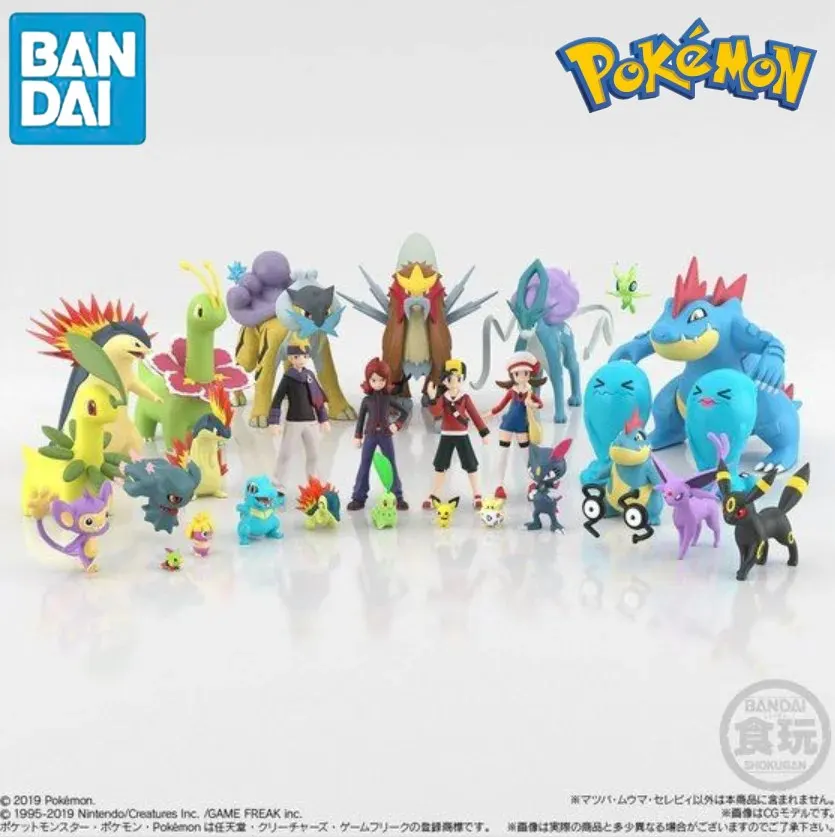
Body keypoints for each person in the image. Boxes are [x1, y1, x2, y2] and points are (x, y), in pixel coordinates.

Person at [423, 359, 489, 510]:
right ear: (444, 380)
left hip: (462, 436)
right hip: (446, 435)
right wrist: (432, 398)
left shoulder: (465, 398)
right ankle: (434, 494)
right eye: (450, 379)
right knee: (440, 465)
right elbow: (436, 413)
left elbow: (474, 415)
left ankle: (477, 494)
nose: (454, 382)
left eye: (458, 379)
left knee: (471, 464)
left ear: (462, 379)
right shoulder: (443, 398)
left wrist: (483, 432)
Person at [481, 351, 546, 498]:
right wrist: (488, 414)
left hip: (522, 426)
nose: (521, 377)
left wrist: (532, 404)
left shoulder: (530, 392)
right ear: (513, 375)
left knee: (525, 455)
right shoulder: (512, 392)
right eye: (517, 374)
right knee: (503, 454)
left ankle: (531, 482)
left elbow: (540, 404)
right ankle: (499, 485)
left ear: (530, 374)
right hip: (507, 425)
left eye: (525, 373)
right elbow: (500, 406)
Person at [348, 357, 409, 511]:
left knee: (391, 463)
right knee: (365, 464)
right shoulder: (366, 401)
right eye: (374, 380)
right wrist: (357, 435)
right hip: (370, 435)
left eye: (382, 380)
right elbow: (361, 419)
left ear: (386, 380)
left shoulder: (389, 399)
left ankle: (397, 496)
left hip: (385, 435)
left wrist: (397, 425)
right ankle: (358, 497)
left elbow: (404, 412)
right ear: (368, 380)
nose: (378, 383)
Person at [269, 341, 330, 490]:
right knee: (286, 453)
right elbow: (277, 400)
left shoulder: (310, 376)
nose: (301, 359)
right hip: (293, 422)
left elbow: (317, 399)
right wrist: (274, 422)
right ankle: (277, 484)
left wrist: (323, 419)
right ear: (290, 358)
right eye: (296, 356)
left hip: (311, 422)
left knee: (314, 454)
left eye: (304, 356)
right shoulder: (288, 377)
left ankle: (313, 482)